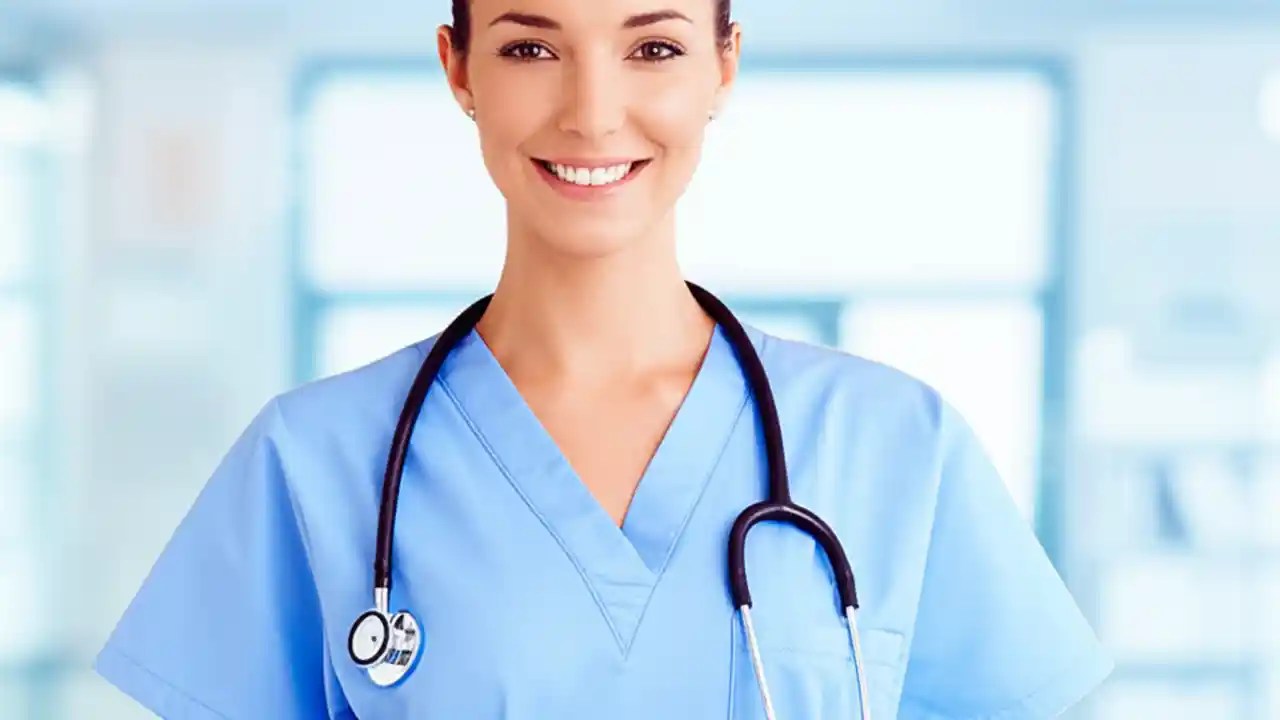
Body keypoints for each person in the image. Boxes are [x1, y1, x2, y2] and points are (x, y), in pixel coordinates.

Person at [93, 0, 1114, 717]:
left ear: (725, 64)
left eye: (653, 48)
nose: (590, 111)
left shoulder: (894, 445)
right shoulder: (313, 460)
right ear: (458, 68)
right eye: (531, 49)